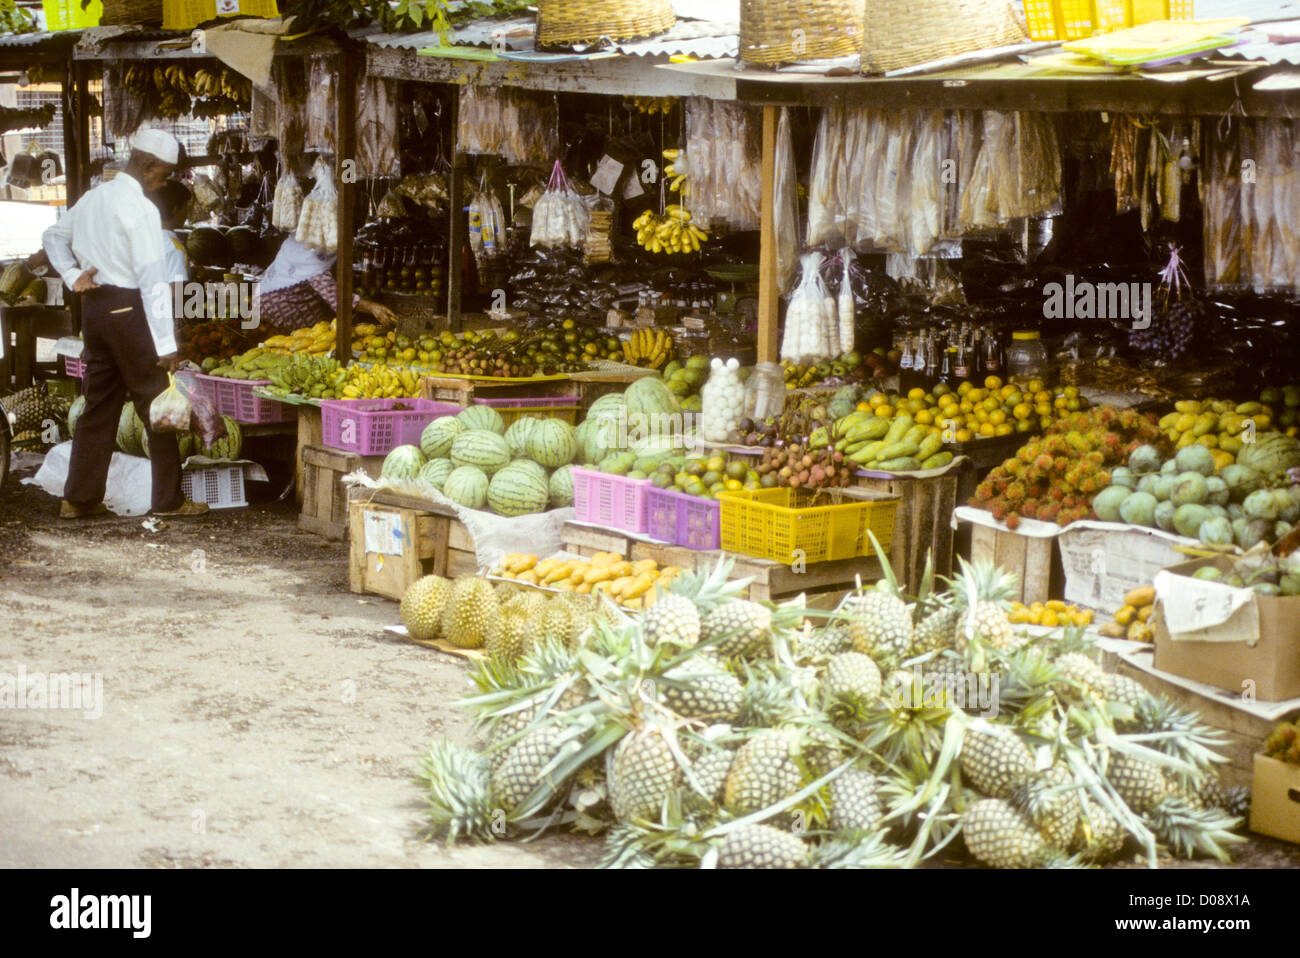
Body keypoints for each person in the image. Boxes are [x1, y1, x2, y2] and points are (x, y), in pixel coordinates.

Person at [42, 128, 208, 519]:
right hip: (130, 310)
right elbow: (152, 279)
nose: (163, 183)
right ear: (147, 165)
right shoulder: (141, 210)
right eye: (164, 175)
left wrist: (72, 275)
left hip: (96, 310)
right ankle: (168, 501)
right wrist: (166, 343)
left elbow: (52, 236)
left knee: (98, 405)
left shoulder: (94, 197)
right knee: (156, 404)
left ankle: (78, 499)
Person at [255, 234, 395, 336]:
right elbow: (334, 296)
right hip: (281, 311)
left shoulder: (302, 238)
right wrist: (371, 307)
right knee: (295, 348)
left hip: (267, 303)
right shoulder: (311, 252)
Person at [150, 179, 192, 286]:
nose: (187, 213)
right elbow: (175, 293)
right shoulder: (175, 248)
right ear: (175, 210)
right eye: (185, 208)